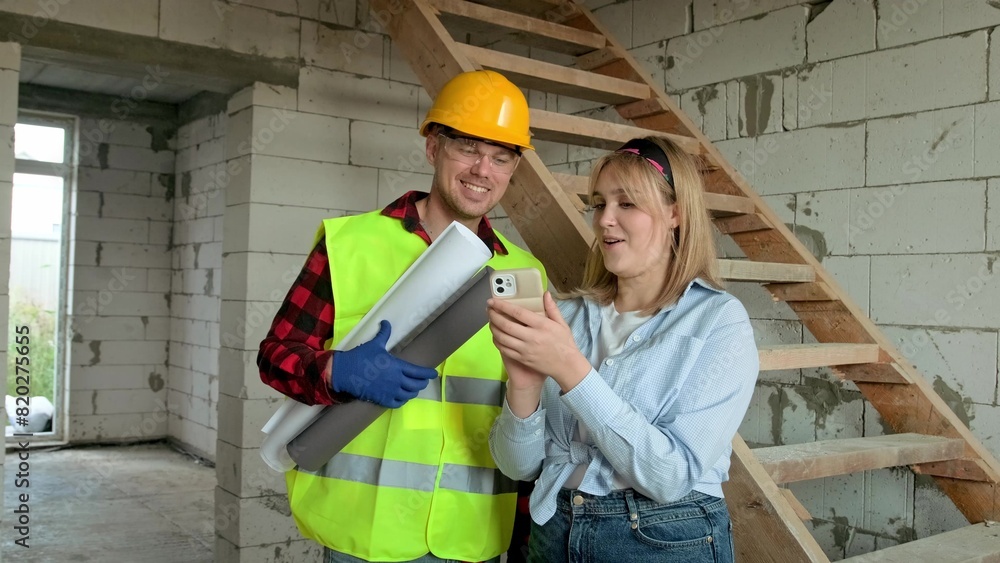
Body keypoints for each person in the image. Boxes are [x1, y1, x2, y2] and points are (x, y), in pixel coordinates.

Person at [257, 70, 546, 563]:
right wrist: (339, 370)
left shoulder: (523, 273)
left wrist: (521, 543)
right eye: (468, 148)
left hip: (470, 539)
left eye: (501, 157)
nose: (483, 170)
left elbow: (526, 411)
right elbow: (275, 356)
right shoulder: (350, 244)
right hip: (361, 537)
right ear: (434, 147)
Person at [486, 136, 759, 563]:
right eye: (599, 204)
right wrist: (523, 387)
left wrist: (571, 370)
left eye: (626, 204)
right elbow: (517, 467)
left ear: (676, 214)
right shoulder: (566, 315)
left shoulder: (718, 321)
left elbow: (670, 476)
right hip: (554, 531)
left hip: (663, 538)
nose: (604, 220)